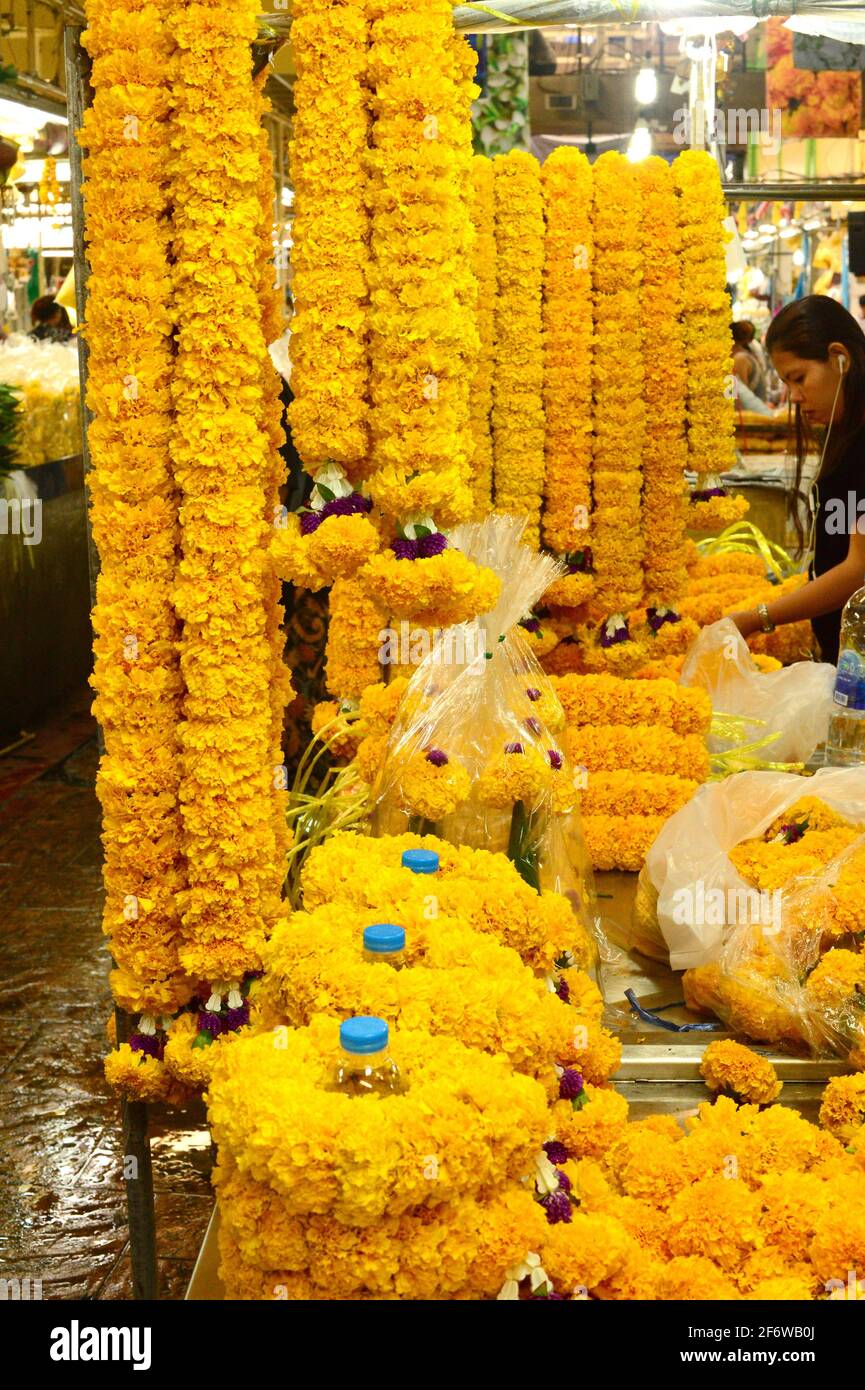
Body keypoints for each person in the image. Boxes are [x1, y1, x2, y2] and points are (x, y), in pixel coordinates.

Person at [729, 296, 865, 665]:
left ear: (841, 357)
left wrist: (757, 618)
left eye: (799, 378)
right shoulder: (843, 431)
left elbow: (858, 569)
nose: (795, 397)